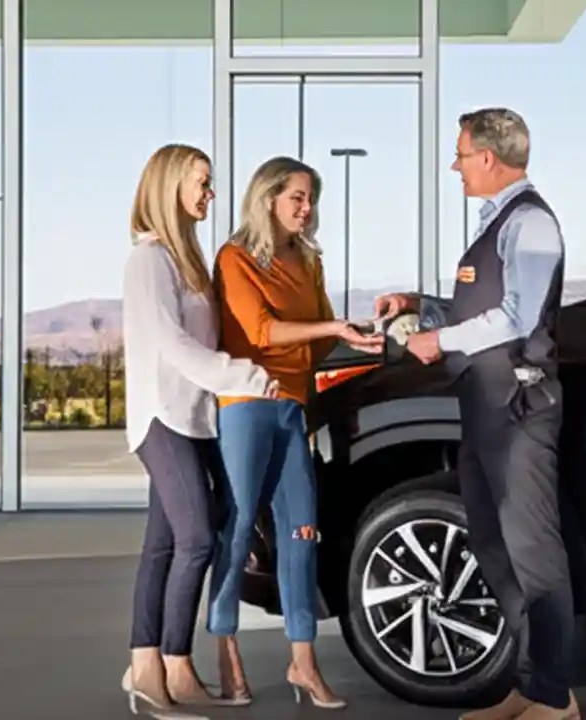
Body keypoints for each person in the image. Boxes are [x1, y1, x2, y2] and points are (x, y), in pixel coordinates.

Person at [375, 108, 579, 720]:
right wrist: (422, 306)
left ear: (488, 158)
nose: (455, 166)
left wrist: (439, 341)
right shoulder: (497, 227)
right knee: (493, 549)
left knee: (534, 554)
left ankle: (554, 698)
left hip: (519, 411)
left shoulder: (532, 224)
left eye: (461, 155)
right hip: (483, 412)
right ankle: (527, 684)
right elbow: (484, 306)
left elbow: (518, 316)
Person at [204, 155, 382, 709]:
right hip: (246, 404)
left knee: (303, 532)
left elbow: (323, 340)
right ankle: (225, 647)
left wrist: (376, 339)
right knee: (236, 534)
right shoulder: (234, 259)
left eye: (311, 200)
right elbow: (260, 331)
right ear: (268, 199)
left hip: (292, 411)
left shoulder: (308, 261)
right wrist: (329, 326)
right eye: (297, 198)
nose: (307, 210)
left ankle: (303, 662)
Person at [119, 143, 279, 714]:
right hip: (161, 418)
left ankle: (146, 664)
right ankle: (174, 665)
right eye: (202, 184)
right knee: (197, 539)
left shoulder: (183, 259)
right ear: (170, 187)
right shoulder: (148, 263)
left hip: (194, 418)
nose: (211, 194)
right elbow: (175, 346)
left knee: (164, 544)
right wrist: (246, 376)